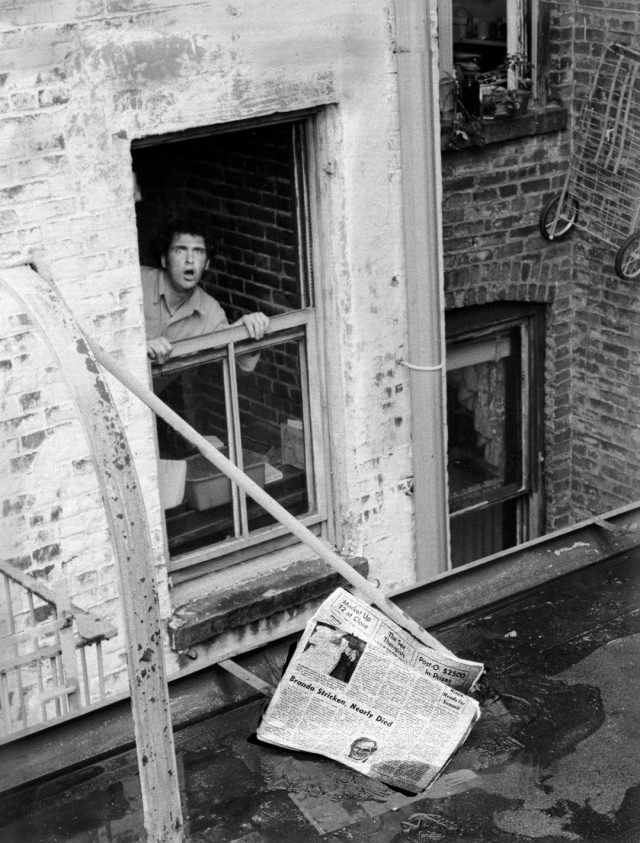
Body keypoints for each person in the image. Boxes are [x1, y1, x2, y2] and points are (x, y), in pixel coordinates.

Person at [141, 215, 270, 365]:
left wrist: (248, 330)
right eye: (180, 250)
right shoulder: (135, 283)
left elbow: (239, 364)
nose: (190, 259)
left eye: (199, 252)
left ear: (207, 264)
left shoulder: (211, 313)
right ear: (164, 259)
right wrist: (138, 347)